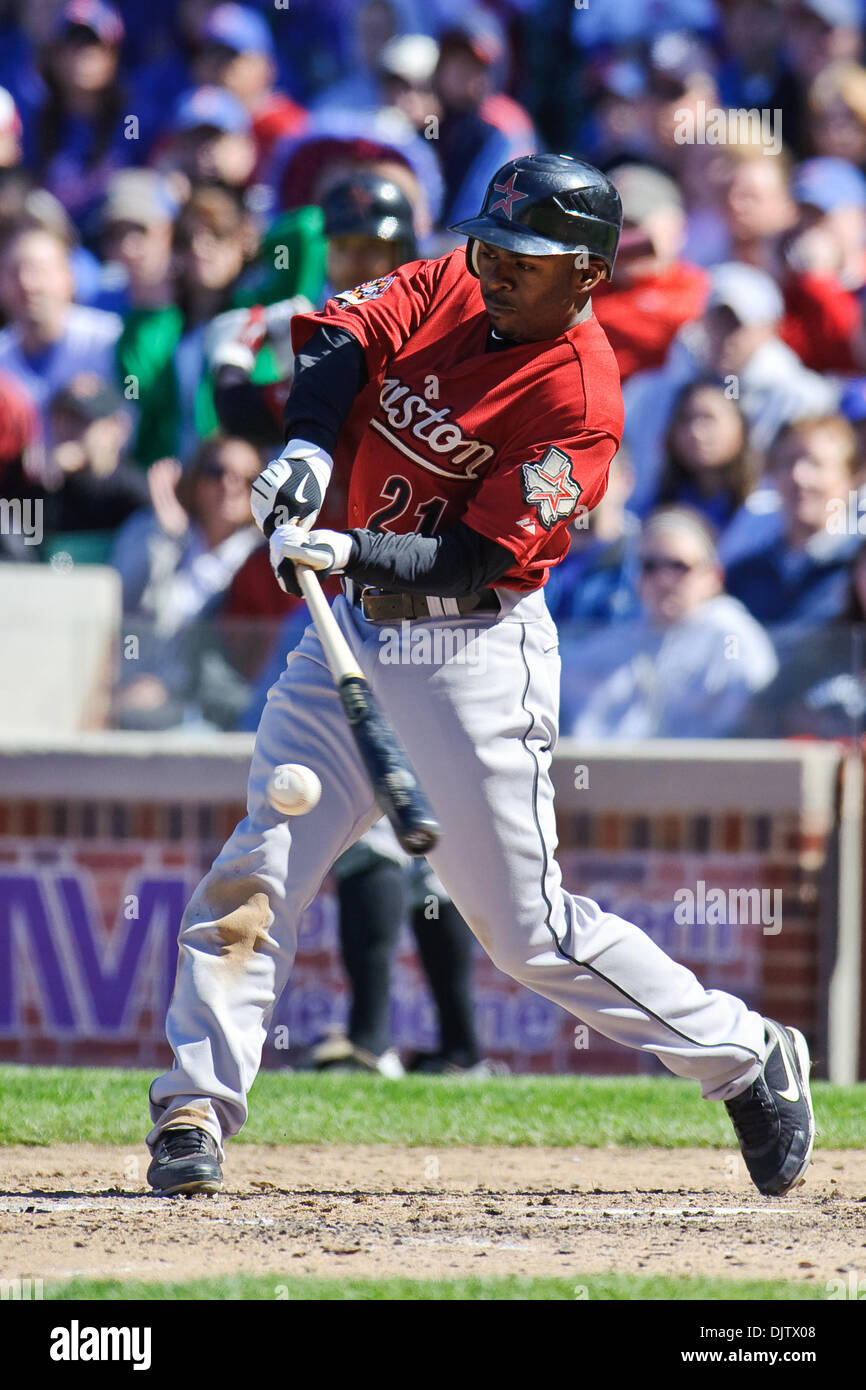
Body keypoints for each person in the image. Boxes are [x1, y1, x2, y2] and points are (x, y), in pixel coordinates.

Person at [144, 153, 815, 1204]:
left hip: (467, 644)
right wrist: (314, 452)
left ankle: (741, 1052)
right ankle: (193, 1106)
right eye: (492, 243)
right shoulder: (456, 274)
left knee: (525, 931)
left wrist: (346, 547)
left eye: (528, 257)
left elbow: (475, 559)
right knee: (258, 866)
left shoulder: (581, 397)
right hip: (349, 628)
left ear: (587, 274)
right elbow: (344, 338)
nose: (497, 266)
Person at [561, 507, 778, 740]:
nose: (663, 580)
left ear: (713, 577)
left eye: (679, 566)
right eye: (650, 567)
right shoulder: (617, 641)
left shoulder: (732, 636)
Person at [110, 434, 262, 731]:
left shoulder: (265, 558)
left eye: (248, 478)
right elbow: (121, 607)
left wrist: (168, 689)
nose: (230, 486)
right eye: (217, 473)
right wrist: (166, 538)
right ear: (197, 479)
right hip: (135, 686)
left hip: (217, 707)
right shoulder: (150, 530)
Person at [725, 414, 862, 627]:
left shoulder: (857, 569)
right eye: (787, 463)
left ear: (851, 476)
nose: (798, 476)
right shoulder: (742, 578)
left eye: (815, 463)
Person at [0, 219, 122, 426]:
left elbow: (136, 390)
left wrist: (111, 399)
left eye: (38, 270)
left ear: (68, 277)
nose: (26, 283)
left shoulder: (108, 337)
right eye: (14, 272)